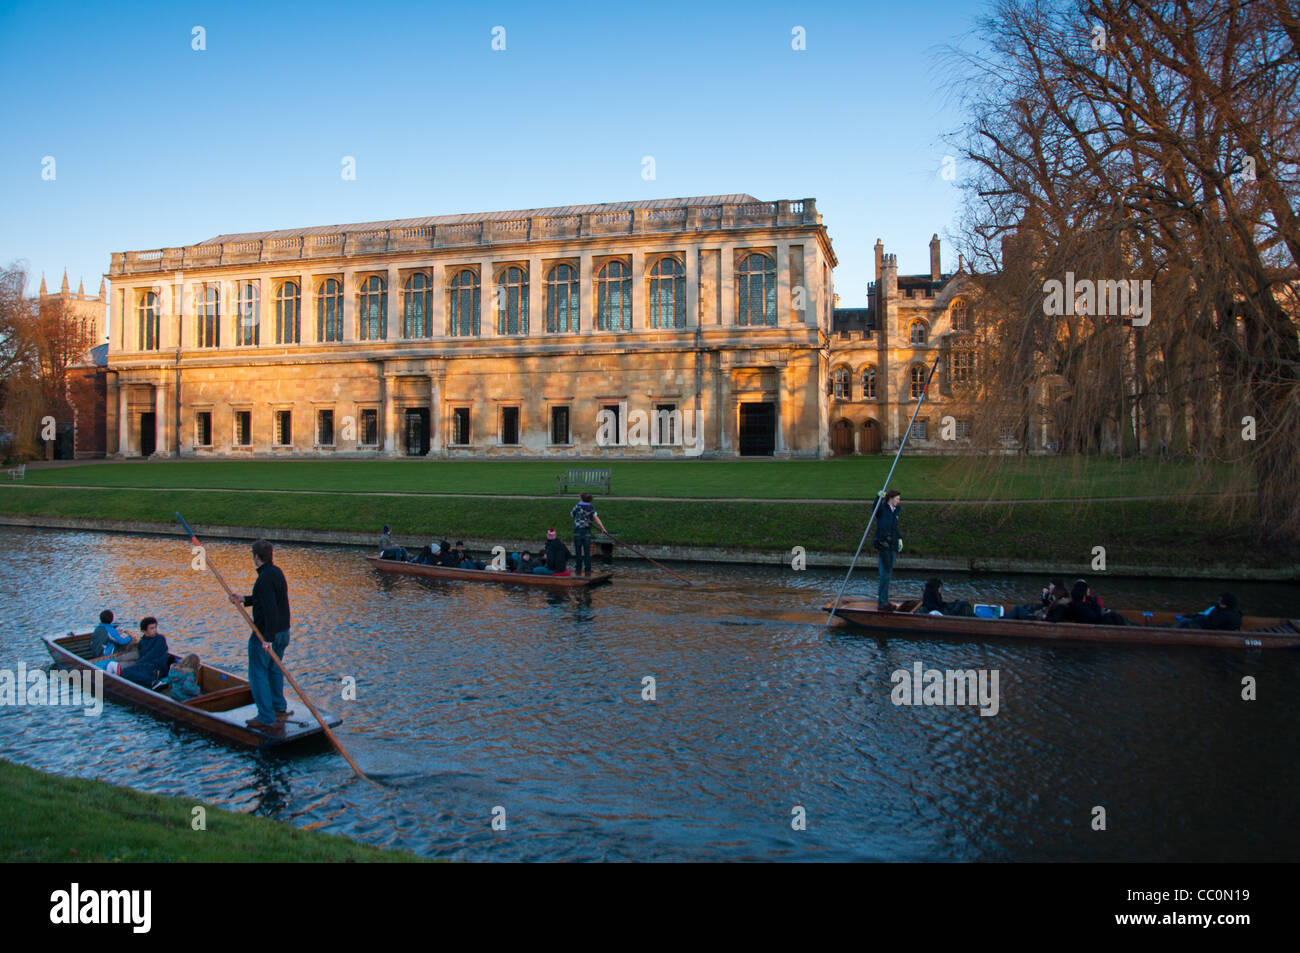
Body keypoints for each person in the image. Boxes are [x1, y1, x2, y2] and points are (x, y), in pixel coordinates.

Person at [228, 539, 291, 730]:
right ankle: (279, 707)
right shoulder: (276, 572)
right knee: (274, 668)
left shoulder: (263, 579)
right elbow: (266, 599)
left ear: (256, 557)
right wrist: (244, 599)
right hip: (283, 632)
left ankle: (265, 717)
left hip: (266, 635)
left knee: (258, 673)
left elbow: (271, 609)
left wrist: (267, 639)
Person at [119, 617, 170, 689]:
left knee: (133, 671)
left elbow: (152, 654)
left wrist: (139, 664)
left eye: (155, 627)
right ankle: (152, 682)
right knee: (125, 672)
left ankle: (153, 683)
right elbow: (140, 652)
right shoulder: (143, 641)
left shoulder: (160, 639)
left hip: (157, 666)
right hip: (145, 665)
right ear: (144, 631)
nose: (155, 630)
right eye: (152, 628)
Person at [873, 490, 903, 610]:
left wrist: (899, 538)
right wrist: (878, 498)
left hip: (892, 545)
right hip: (883, 544)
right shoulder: (883, 509)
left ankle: (885, 600)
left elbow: (894, 528)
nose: (899, 501)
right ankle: (882, 603)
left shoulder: (895, 511)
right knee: (885, 574)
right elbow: (875, 510)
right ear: (891, 498)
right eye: (897, 498)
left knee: (889, 574)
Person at [570, 493, 608, 576]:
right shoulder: (591, 507)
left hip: (578, 531)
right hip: (587, 532)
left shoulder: (577, 506)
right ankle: (588, 570)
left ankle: (578, 570)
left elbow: (572, 514)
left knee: (578, 552)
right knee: (587, 552)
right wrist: (603, 528)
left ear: (581, 498)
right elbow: (596, 518)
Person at [1177, 593, 1243, 631]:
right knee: (1186, 619)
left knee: (1184, 621)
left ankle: (1171, 631)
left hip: (1206, 627)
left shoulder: (1223, 613)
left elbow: (1212, 624)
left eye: (1220, 601)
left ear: (1225, 604)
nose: (1218, 602)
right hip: (1205, 624)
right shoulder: (1235, 611)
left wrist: (1196, 620)